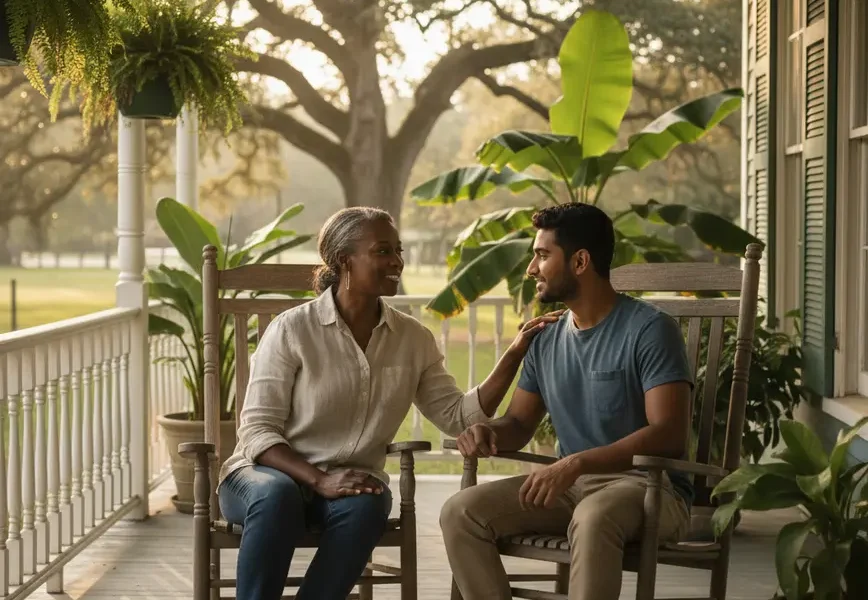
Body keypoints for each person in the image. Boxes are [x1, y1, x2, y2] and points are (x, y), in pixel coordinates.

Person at [216, 206, 560, 600]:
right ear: (345, 260)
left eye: (398, 250)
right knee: (278, 497)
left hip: (347, 484)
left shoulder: (412, 338)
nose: (397, 260)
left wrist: (515, 351)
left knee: (369, 505)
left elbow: (457, 416)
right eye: (383, 251)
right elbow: (257, 432)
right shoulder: (293, 330)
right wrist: (319, 479)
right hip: (263, 479)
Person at [439, 203, 694, 600]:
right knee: (461, 513)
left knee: (593, 517)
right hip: (572, 486)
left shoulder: (650, 330)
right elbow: (520, 426)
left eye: (542, 255)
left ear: (580, 261)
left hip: (648, 489)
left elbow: (669, 435)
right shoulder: (545, 337)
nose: (531, 269)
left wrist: (576, 463)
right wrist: (485, 431)